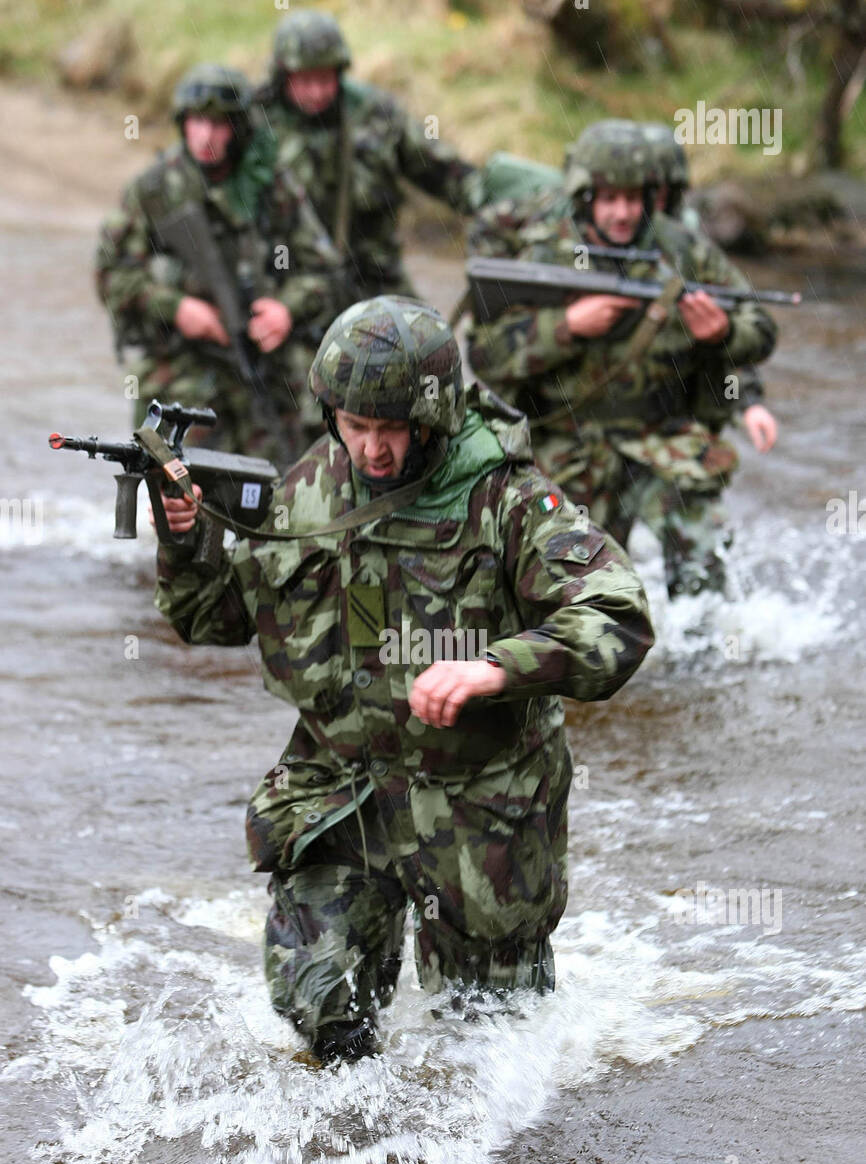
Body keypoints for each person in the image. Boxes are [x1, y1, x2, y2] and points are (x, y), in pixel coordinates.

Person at [152, 296, 654, 1063]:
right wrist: (185, 543)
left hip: (479, 801)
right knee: (318, 1004)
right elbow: (215, 617)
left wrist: (495, 666)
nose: (374, 450)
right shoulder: (311, 489)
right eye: (356, 427)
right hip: (346, 789)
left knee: (491, 1042)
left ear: (434, 418)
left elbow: (617, 612)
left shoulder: (507, 496)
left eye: (392, 431)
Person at [466, 119, 779, 600]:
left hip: (662, 437)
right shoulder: (539, 251)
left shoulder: (680, 247)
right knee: (567, 588)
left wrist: (724, 333)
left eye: (634, 199)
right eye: (610, 198)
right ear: (585, 196)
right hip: (567, 442)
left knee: (703, 561)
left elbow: (760, 326)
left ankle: (703, 652)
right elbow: (486, 355)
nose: (623, 213)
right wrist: (567, 326)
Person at [96, 63, 349, 465]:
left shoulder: (271, 185)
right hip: (181, 362)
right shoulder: (156, 190)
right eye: (197, 122)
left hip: (261, 365)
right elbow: (112, 275)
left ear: (239, 128)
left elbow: (326, 270)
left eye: (218, 125)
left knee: (277, 482)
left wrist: (287, 309)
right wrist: (177, 309)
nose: (206, 137)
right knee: (177, 490)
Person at [256, 9, 483, 298]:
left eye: (325, 79)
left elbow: (443, 171)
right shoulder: (254, 123)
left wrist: (497, 206)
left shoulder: (374, 114)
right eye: (305, 80)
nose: (316, 92)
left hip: (374, 279)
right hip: (290, 286)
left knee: (425, 338)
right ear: (282, 75)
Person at [641, 121, 779, 456]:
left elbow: (729, 327)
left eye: (654, 192)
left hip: (674, 419)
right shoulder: (577, 241)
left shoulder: (689, 248)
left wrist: (748, 403)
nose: (640, 205)